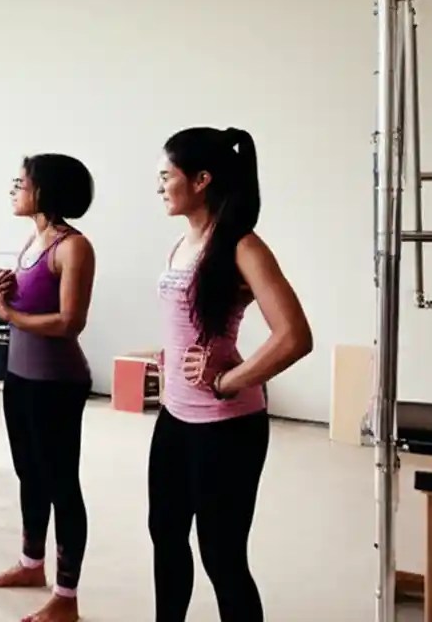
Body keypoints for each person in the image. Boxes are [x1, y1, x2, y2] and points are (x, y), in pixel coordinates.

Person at [149, 127, 312, 622]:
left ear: (201, 180)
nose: (159, 186)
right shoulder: (183, 242)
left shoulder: (243, 246)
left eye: (166, 176)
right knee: (166, 537)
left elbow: (294, 336)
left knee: (221, 556)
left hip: (227, 428)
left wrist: (227, 380)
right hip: (175, 417)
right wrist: (169, 357)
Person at [0, 154, 96, 622]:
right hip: (20, 378)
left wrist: (8, 313)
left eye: (21, 183)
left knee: (61, 484)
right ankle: (31, 565)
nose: (14, 190)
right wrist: (0, 296)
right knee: (29, 474)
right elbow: (26, 305)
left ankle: (66, 597)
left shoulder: (74, 247)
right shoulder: (32, 240)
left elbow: (69, 322)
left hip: (57, 384)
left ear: (45, 191)